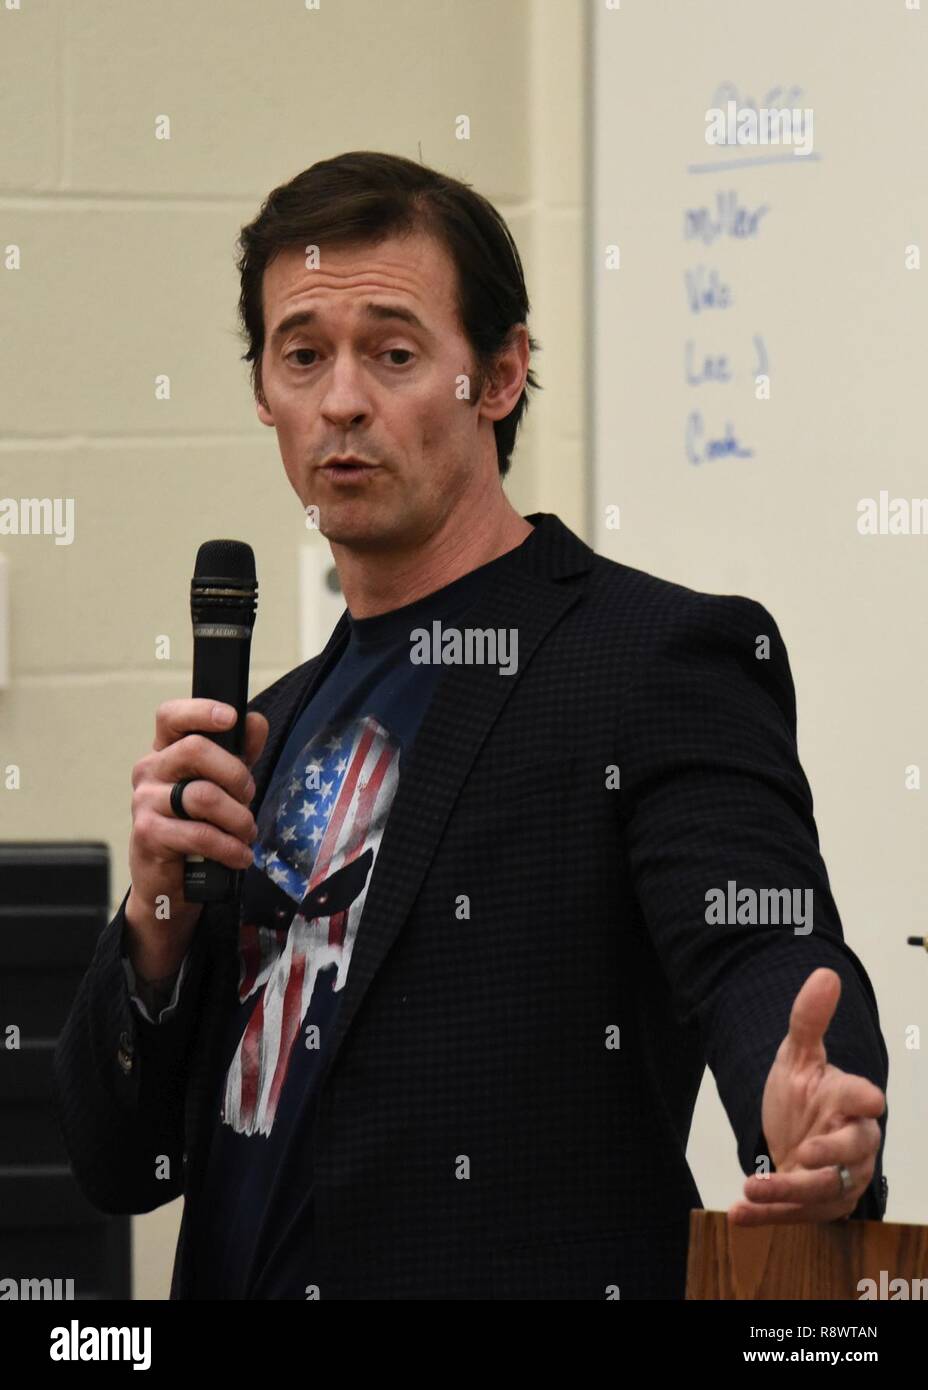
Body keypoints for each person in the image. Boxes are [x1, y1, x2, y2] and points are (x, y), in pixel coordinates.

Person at [54, 152, 888, 1300]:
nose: (341, 399)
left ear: (498, 376)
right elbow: (116, 1161)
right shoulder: (270, 726)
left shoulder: (646, 659)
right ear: (264, 393)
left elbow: (756, 946)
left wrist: (805, 1108)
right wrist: (154, 915)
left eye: (393, 354)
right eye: (302, 356)